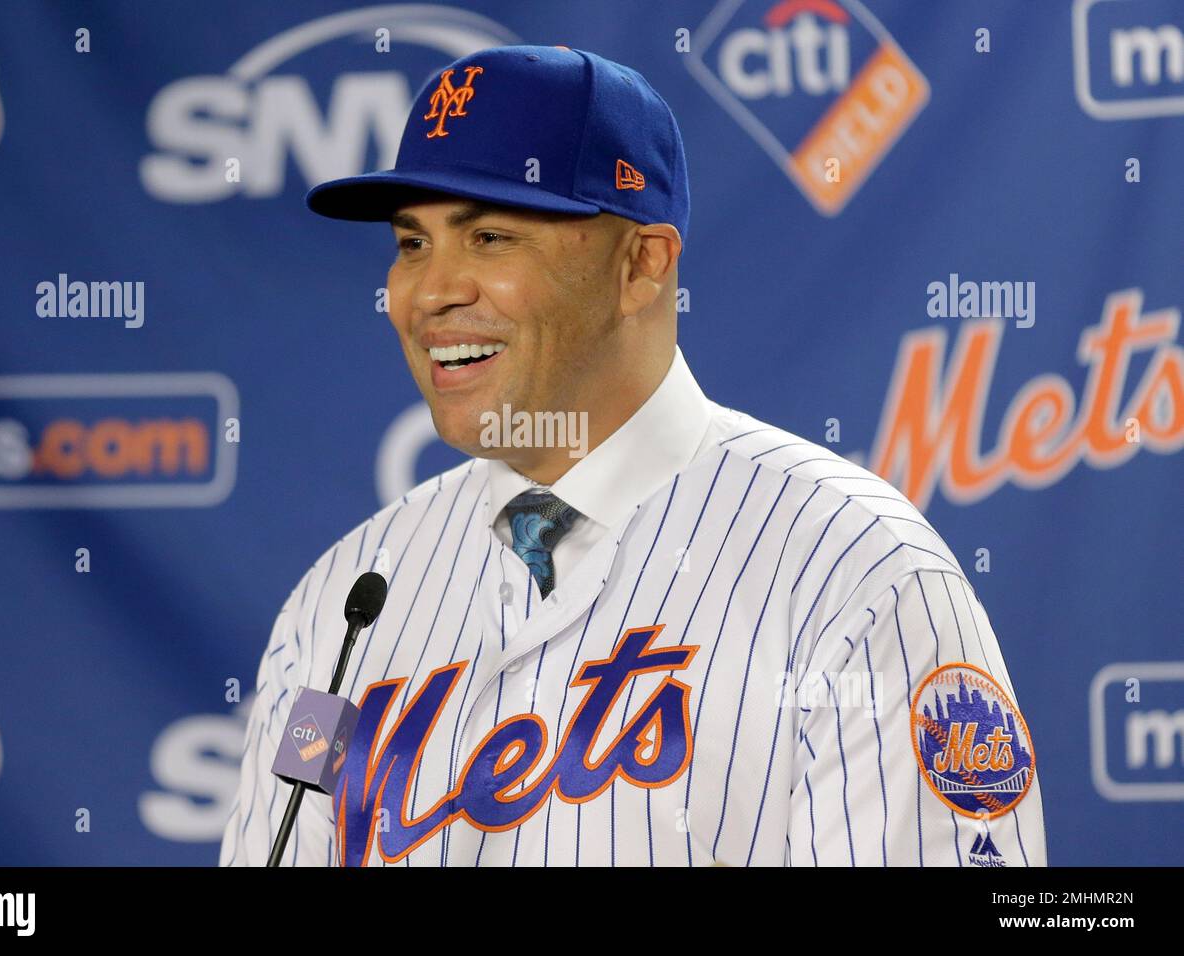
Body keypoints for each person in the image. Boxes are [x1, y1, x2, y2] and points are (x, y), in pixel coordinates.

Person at [221, 45, 1046, 867]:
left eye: (491, 238)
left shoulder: (857, 575)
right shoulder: (339, 607)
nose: (431, 291)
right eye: (411, 245)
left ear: (641, 266)